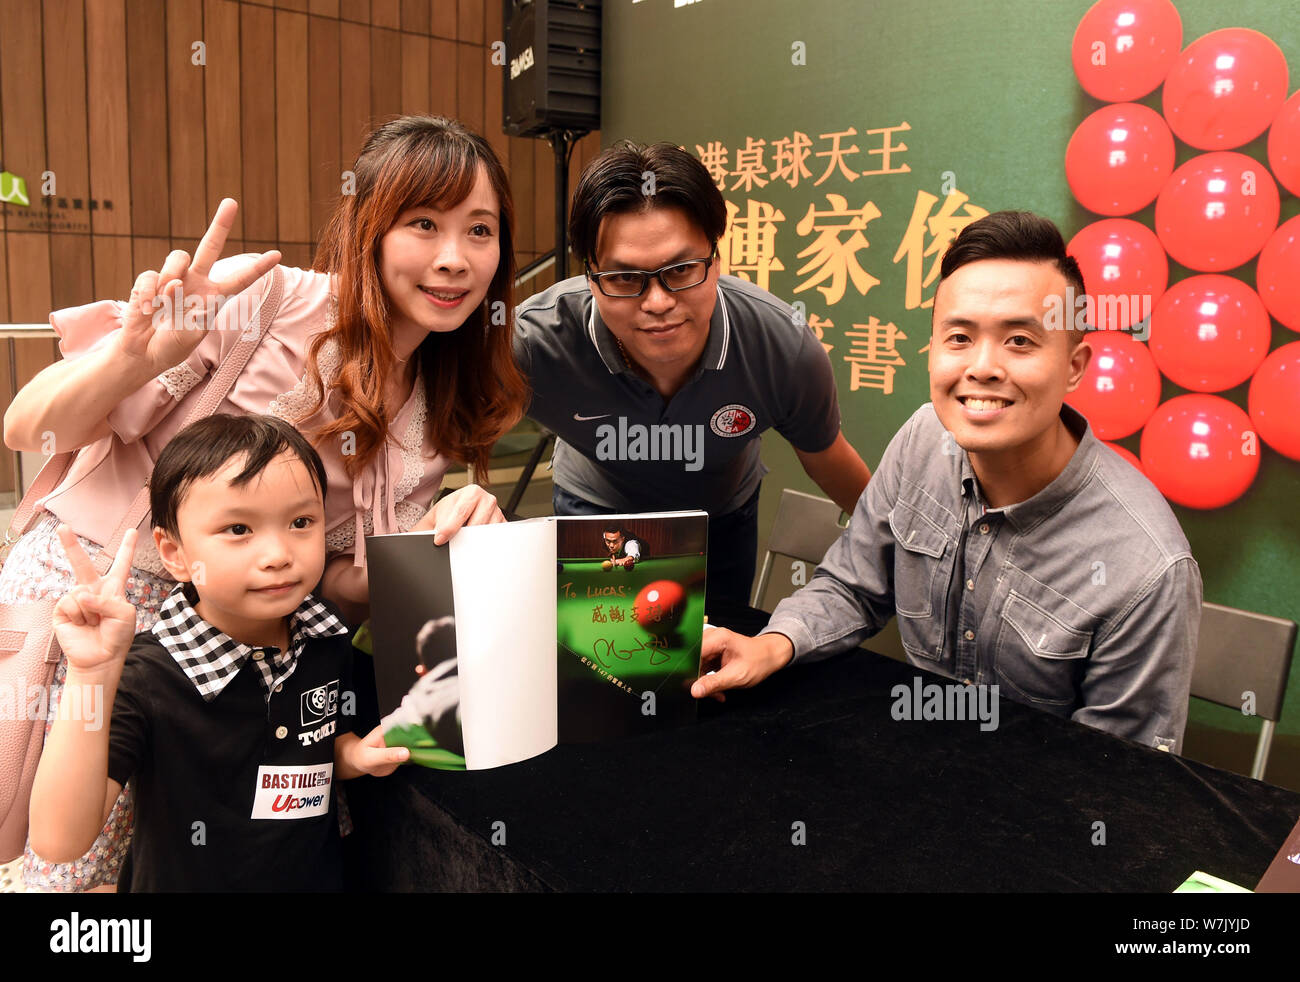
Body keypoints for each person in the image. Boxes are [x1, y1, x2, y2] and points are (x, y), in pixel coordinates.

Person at [2, 114, 526, 890]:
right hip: (102, 602)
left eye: (479, 231)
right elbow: (26, 427)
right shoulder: (270, 303)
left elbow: (338, 580)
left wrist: (448, 545)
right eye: (423, 224)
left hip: (247, 648)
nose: (454, 259)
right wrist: (133, 357)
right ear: (369, 226)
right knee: (70, 867)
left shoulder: (438, 401)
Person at [694, 211, 1202, 753]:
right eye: (959, 337)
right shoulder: (924, 436)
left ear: (1075, 365)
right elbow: (854, 584)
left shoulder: (1148, 569)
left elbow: (1124, 779)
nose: (982, 367)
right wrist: (772, 645)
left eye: (1021, 341)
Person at [29, 415, 409, 891]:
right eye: (237, 528)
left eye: (300, 522)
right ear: (175, 554)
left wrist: (353, 755)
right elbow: (58, 840)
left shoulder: (326, 637)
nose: (276, 553)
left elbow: (319, 744)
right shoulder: (147, 674)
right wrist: (92, 672)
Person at [513, 142, 870, 610]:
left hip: (719, 516)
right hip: (597, 509)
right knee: (603, 662)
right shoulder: (535, 341)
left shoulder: (782, 346)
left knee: (714, 664)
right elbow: (445, 433)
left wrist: (903, 544)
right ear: (591, 277)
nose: (657, 302)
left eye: (681, 270)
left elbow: (828, 457)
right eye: (624, 278)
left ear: (716, 259)